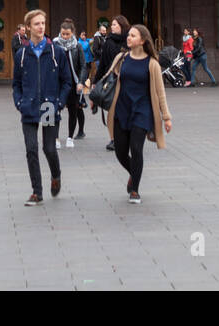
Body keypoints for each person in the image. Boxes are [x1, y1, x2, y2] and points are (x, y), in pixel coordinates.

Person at [102, 23, 173, 204]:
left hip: (142, 111)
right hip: (122, 109)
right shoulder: (122, 58)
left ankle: (135, 190)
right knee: (120, 151)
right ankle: (134, 173)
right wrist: (96, 95)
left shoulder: (152, 64)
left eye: (133, 36)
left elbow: (160, 92)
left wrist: (166, 117)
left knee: (136, 148)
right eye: (129, 35)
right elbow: (108, 77)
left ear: (142, 40)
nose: (128, 38)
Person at [12, 9, 73, 205]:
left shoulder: (56, 52)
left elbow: (67, 81)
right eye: (37, 24)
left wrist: (60, 102)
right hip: (29, 106)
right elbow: (16, 83)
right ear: (28, 27)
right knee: (31, 149)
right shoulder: (22, 54)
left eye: (43, 23)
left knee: (48, 148)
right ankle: (36, 192)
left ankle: (56, 175)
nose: (41, 27)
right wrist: (19, 102)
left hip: (49, 106)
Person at [84, 15, 131, 151]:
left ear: (122, 26)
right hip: (112, 81)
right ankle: (113, 139)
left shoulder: (130, 39)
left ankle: (127, 137)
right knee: (112, 111)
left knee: (127, 110)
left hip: (129, 81)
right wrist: (95, 82)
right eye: (112, 24)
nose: (112, 27)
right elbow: (103, 63)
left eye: (115, 24)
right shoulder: (109, 41)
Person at [56, 19, 87, 146]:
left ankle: (70, 137)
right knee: (54, 110)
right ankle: (55, 138)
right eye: (63, 34)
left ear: (72, 33)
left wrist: (81, 81)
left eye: (67, 34)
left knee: (73, 111)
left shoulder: (77, 46)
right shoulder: (55, 45)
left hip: (73, 84)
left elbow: (83, 66)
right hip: (58, 83)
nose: (65, 36)